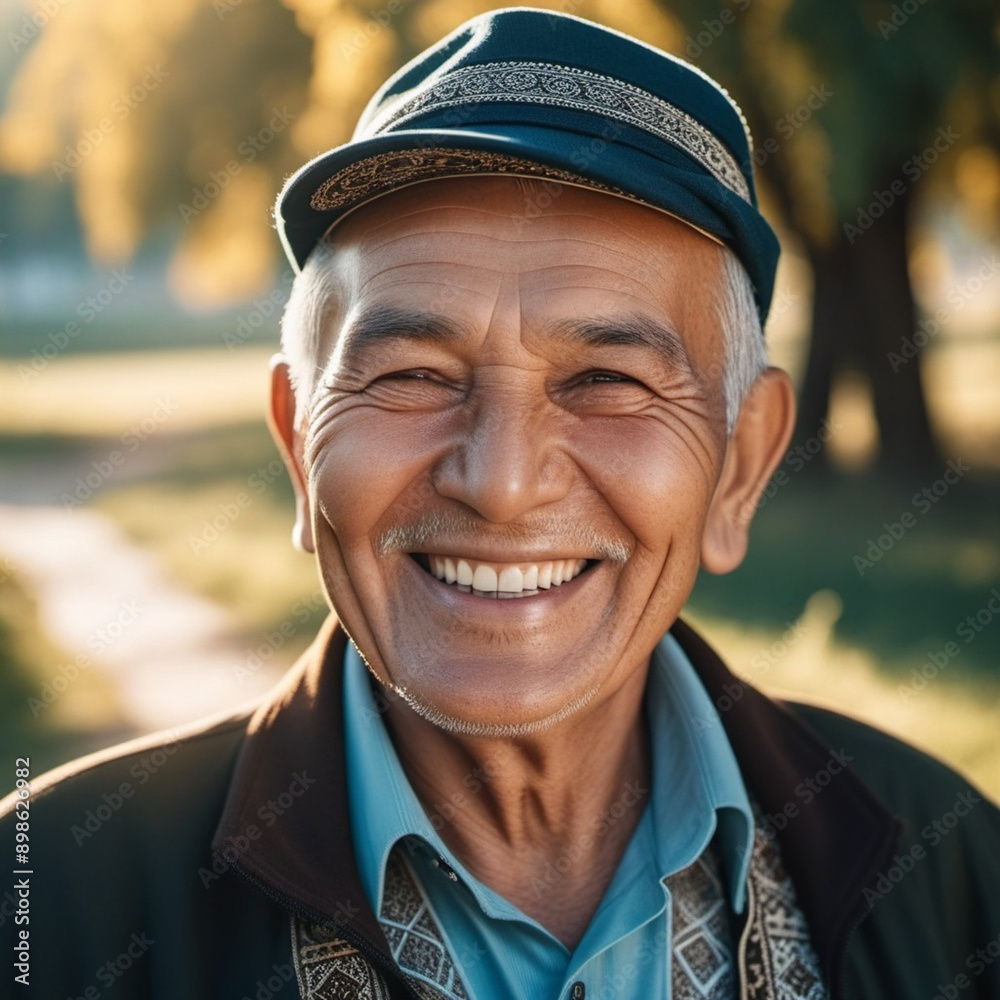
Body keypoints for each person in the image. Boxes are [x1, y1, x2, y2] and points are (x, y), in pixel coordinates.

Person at [2, 8, 998, 1000]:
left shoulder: (945, 868)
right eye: (412, 375)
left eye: (607, 379)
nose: (502, 480)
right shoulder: (49, 905)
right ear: (301, 449)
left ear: (739, 465)